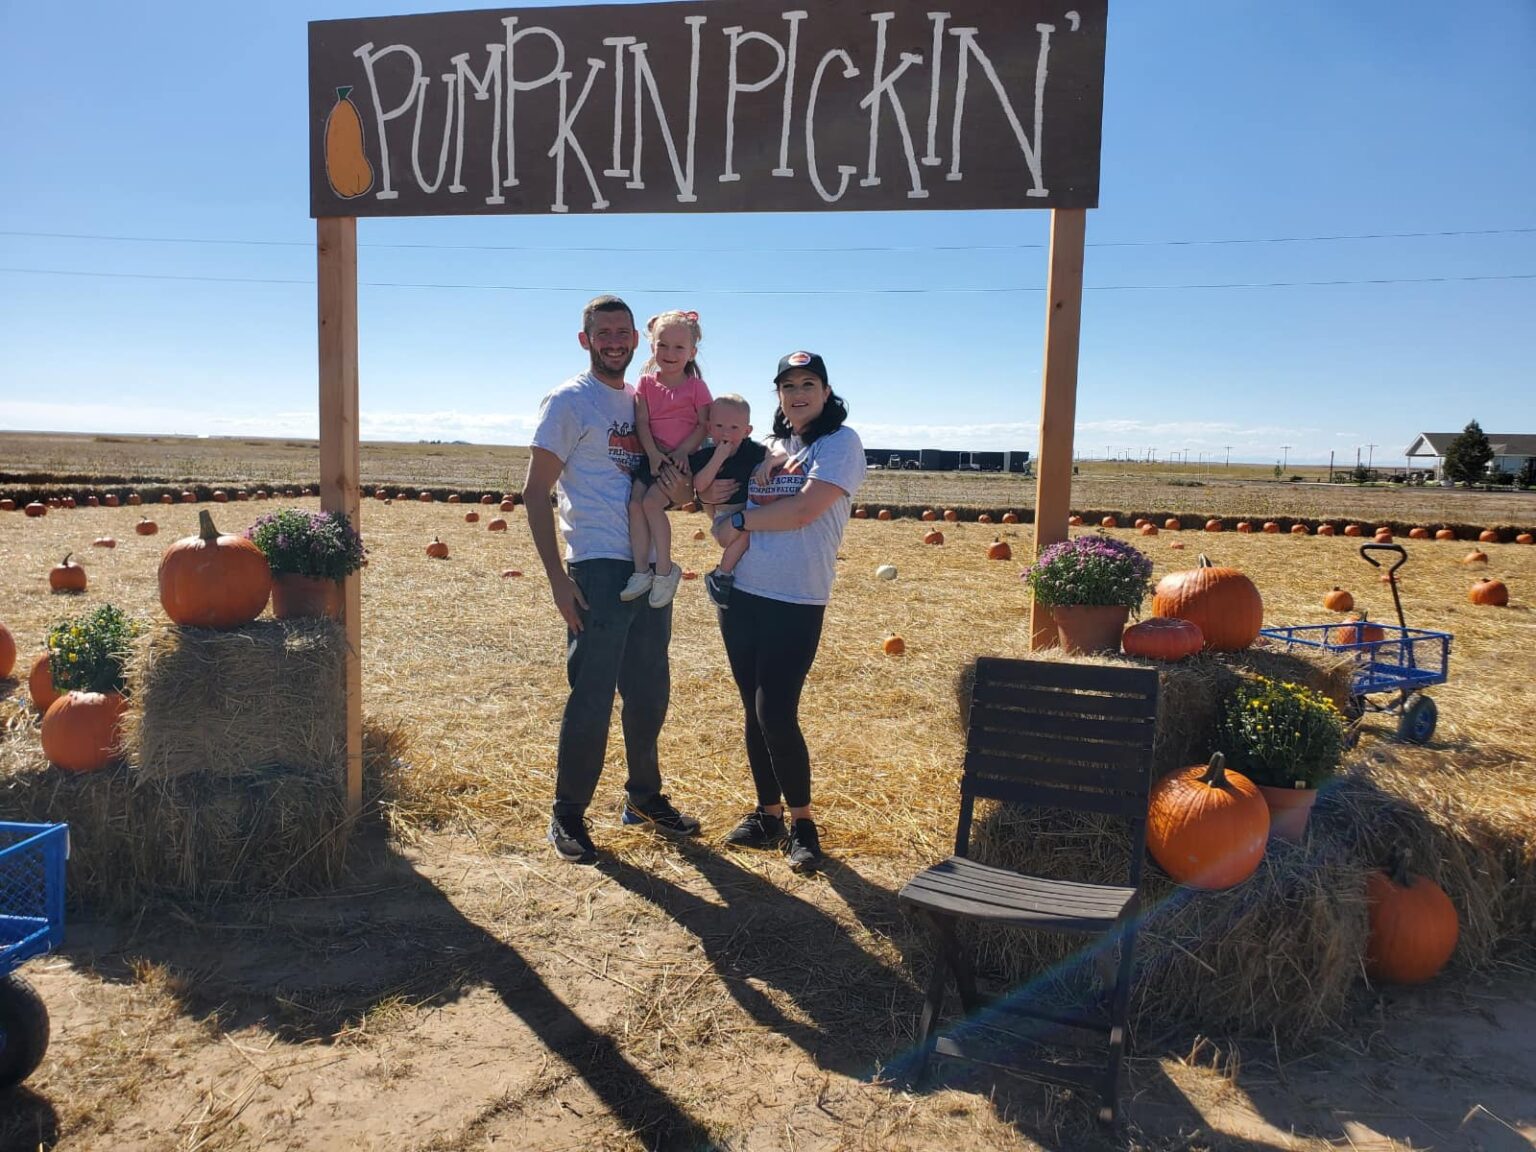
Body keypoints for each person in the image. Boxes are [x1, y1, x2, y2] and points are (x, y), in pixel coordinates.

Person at [523, 295, 732, 864]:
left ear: (636, 340)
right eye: (602, 332)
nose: (613, 340)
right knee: (591, 693)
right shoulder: (570, 401)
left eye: (622, 331)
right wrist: (557, 581)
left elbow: (680, 479)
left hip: (648, 567)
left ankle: (642, 798)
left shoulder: (647, 396)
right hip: (597, 561)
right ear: (585, 338)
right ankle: (567, 814)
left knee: (647, 691)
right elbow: (534, 492)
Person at [708, 351, 866, 873]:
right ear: (778, 396)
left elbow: (802, 511)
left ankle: (803, 824)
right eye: (788, 385)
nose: (798, 393)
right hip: (744, 593)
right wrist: (723, 515)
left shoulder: (840, 445)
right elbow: (719, 502)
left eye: (809, 383)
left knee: (776, 710)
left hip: (797, 596)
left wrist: (742, 524)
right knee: (753, 710)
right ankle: (767, 814)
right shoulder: (768, 447)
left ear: (825, 391)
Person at [620, 310, 711, 609]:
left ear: (692, 352)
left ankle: (665, 570)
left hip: (682, 459)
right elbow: (642, 423)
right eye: (663, 345)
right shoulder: (645, 384)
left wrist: (683, 451)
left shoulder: (696, 387)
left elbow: (703, 425)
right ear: (651, 346)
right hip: (653, 455)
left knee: (651, 504)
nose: (670, 353)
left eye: (679, 347)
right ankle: (641, 571)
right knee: (634, 505)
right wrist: (653, 454)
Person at [684, 395, 769, 608]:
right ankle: (721, 575)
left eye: (733, 427)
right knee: (748, 527)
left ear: (747, 431)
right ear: (710, 428)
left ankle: (725, 574)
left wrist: (770, 462)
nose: (726, 433)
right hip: (724, 518)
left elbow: (776, 452)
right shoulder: (705, 455)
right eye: (719, 426)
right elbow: (700, 485)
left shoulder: (753, 451)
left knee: (753, 526)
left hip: (748, 511)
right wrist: (718, 458)